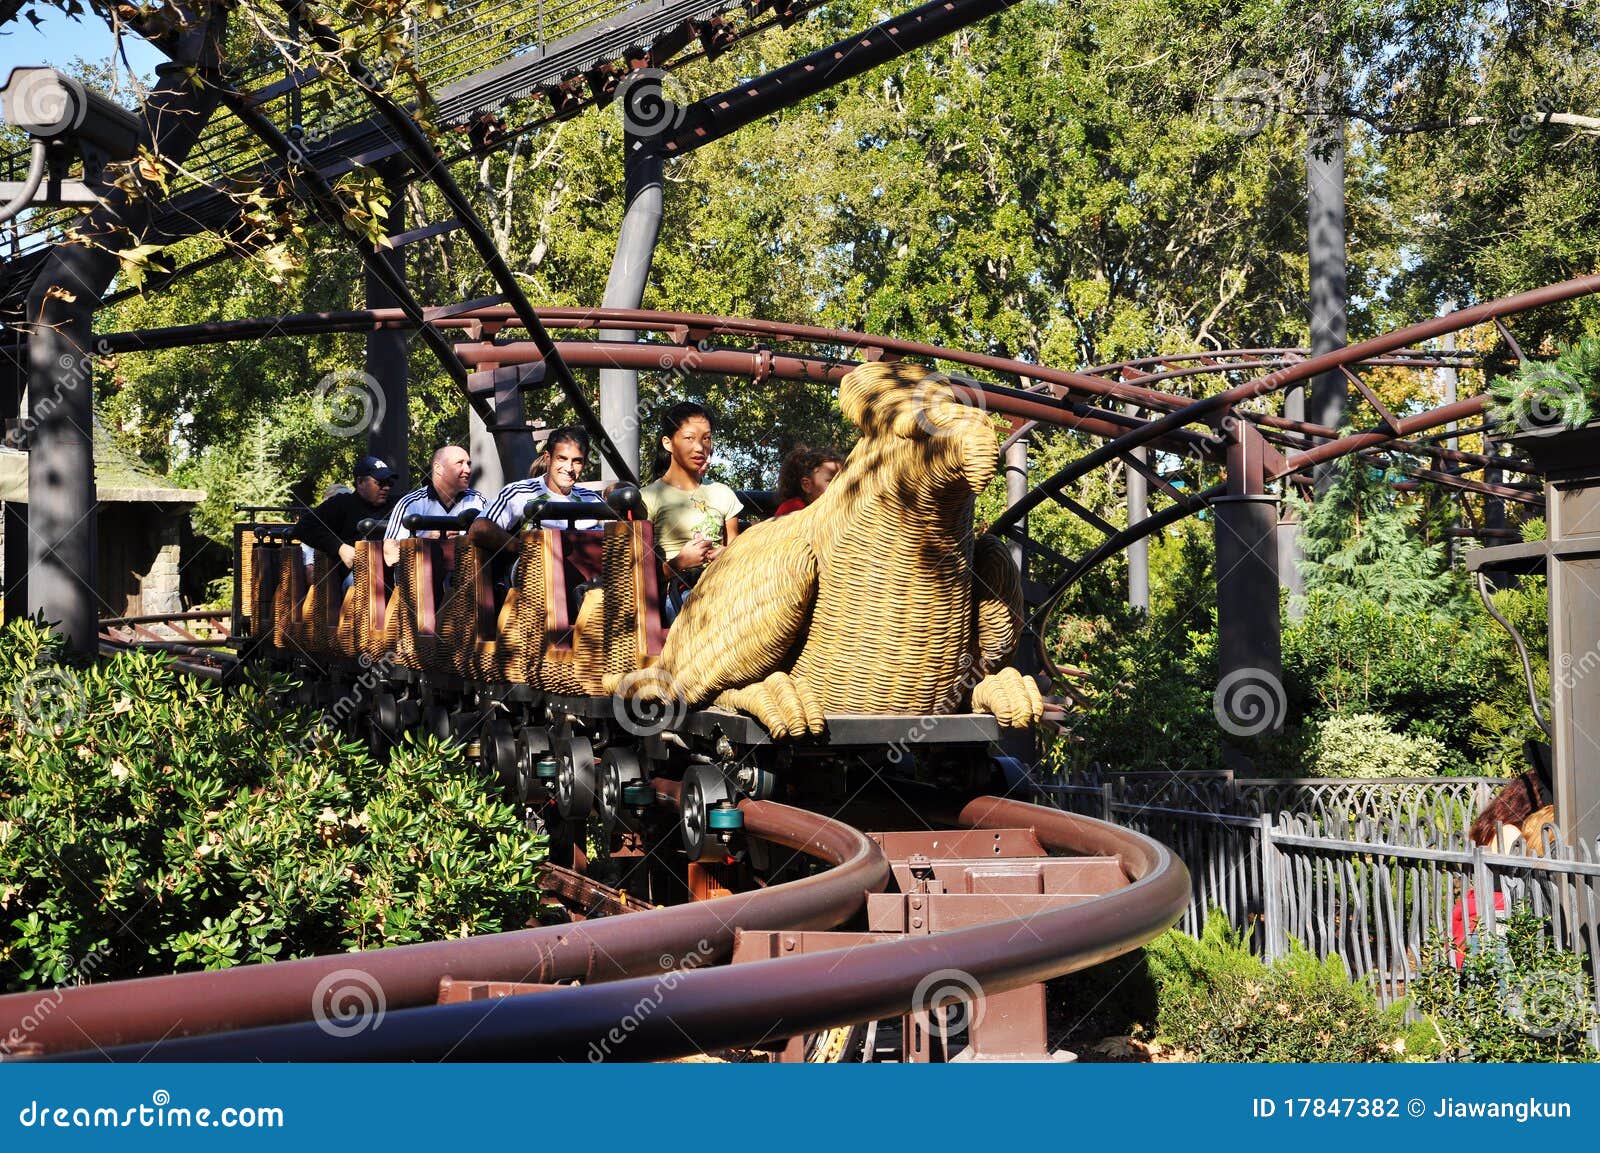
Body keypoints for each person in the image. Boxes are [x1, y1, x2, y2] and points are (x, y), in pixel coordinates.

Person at [468, 427, 607, 599]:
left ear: (584, 464)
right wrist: (528, 550)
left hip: (591, 592)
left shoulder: (592, 499)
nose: (569, 468)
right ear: (548, 458)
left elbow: (620, 536)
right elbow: (479, 529)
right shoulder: (519, 492)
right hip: (536, 591)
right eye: (562, 458)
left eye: (577, 461)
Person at [642, 403, 742, 615]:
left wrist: (727, 556)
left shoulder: (723, 493)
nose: (700, 447)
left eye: (706, 438)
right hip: (676, 593)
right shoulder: (647, 498)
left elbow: (737, 552)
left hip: (723, 587)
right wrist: (679, 563)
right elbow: (634, 577)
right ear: (668, 444)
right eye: (689, 438)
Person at [294, 456, 398, 582]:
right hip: (357, 580)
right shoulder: (342, 504)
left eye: (389, 482)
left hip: (394, 573)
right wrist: (339, 547)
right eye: (380, 482)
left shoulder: (397, 504)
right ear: (360, 482)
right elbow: (302, 528)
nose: (386, 487)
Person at [383, 444, 485, 567]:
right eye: (460, 463)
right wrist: (426, 542)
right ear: (438, 468)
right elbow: (390, 555)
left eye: (468, 464)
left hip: (468, 580)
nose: (468, 470)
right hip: (419, 583)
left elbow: (495, 544)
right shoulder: (410, 504)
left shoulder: (478, 501)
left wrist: (466, 540)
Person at [773, 444, 844, 516]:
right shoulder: (792, 509)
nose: (840, 485)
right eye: (832, 481)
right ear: (807, 485)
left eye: (842, 480)